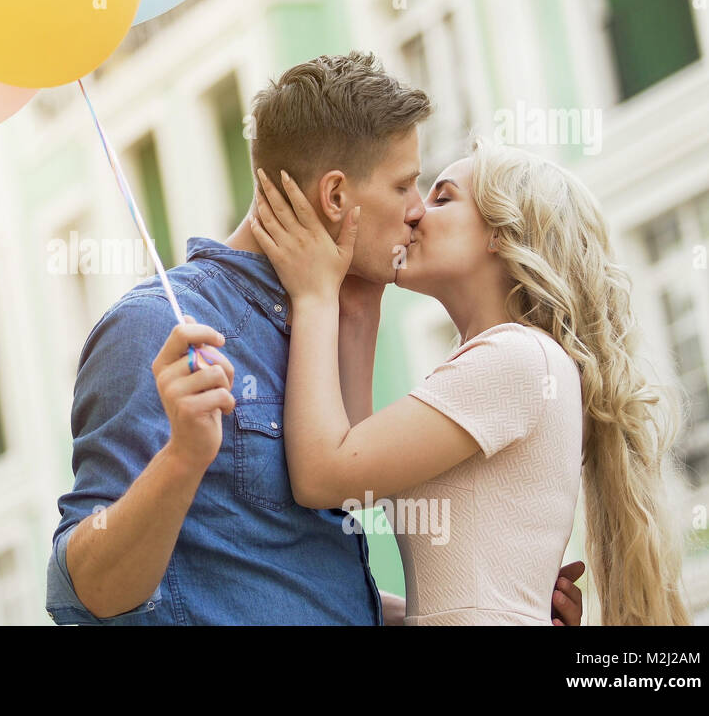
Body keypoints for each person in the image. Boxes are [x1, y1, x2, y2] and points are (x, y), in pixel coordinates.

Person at [45, 52, 585, 625]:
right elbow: (84, 593)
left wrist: (496, 604)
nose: (417, 210)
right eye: (405, 185)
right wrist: (181, 459)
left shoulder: (325, 327)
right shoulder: (162, 327)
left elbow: (312, 587)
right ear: (334, 197)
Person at [248, 136, 690, 624]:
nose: (414, 212)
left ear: (500, 232)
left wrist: (313, 296)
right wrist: (359, 298)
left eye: (442, 198)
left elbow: (321, 474)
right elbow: (346, 472)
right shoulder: (507, 361)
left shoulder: (516, 358)